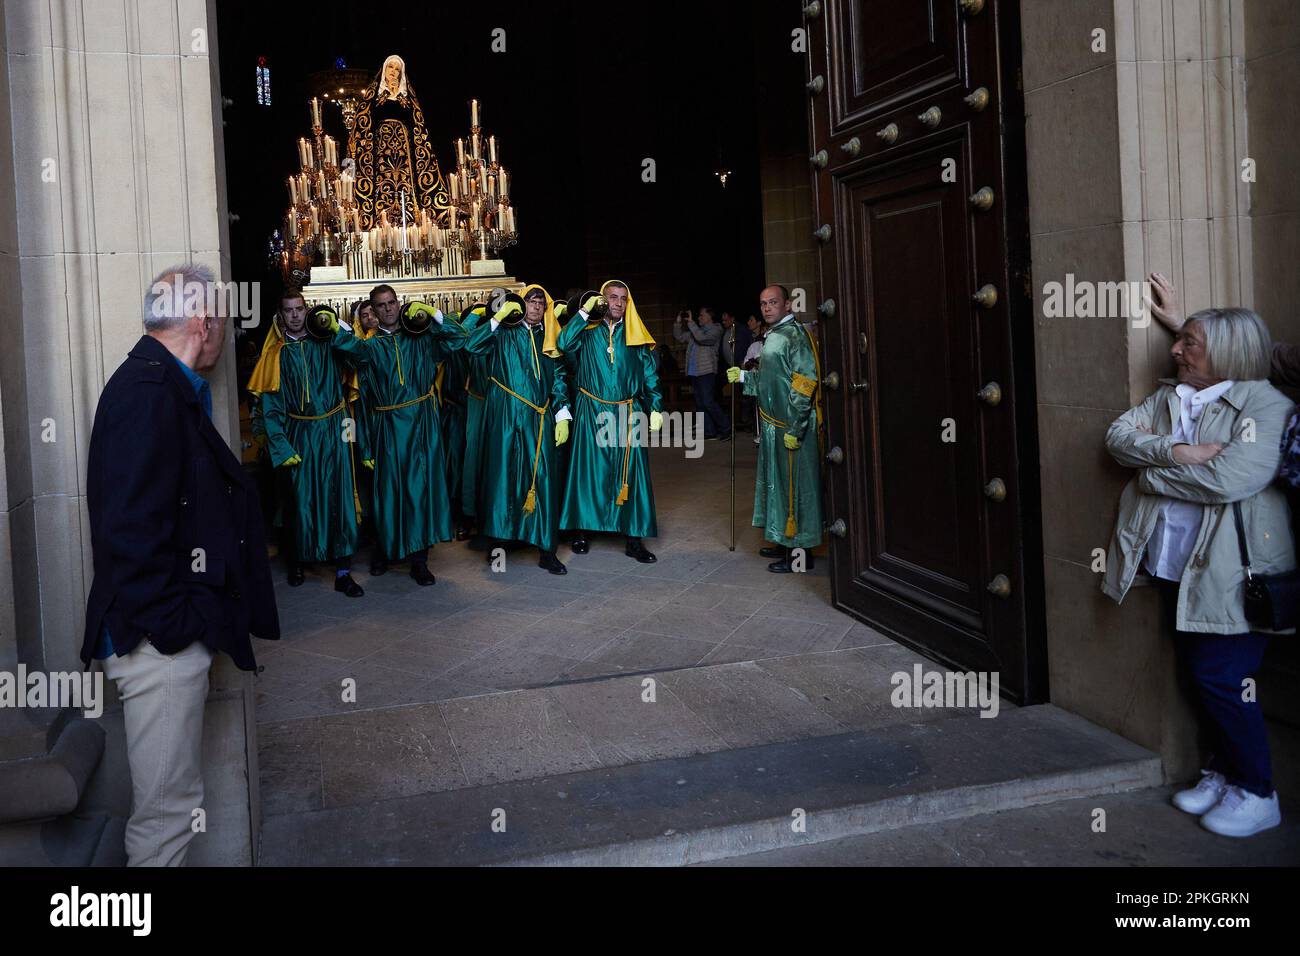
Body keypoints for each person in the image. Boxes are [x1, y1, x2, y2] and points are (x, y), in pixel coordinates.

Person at [83, 264, 279, 866]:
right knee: (165, 823)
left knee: (170, 809)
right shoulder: (146, 393)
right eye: (221, 317)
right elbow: (132, 533)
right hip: (155, 645)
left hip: (161, 636)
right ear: (203, 322)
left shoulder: (160, 383)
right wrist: (178, 632)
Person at [1103, 307, 1293, 837]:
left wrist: (1149, 479)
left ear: (1228, 352)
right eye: (1180, 340)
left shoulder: (1265, 403)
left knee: (1226, 680)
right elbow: (1117, 437)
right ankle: (1223, 773)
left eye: (1190, 344)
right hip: (1173, 564)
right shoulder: (1170, 398)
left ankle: (1259, 792)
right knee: (1199, 676)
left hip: (1234, 573)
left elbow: (1229, 480)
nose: (1175, 350)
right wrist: (1179, 450)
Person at [331, 284, 467, 585]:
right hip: (387, 427)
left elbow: (459, 339)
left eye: (392, 303)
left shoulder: (422, 340)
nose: (388, 309)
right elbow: (361, 397)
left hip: (421, 424)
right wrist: (364, 446)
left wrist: (433, 314)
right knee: (388, 493)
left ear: (399, 304)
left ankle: (420, 560)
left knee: (419, 490)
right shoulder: (368, 348)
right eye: (381, 305)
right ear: (373, 311)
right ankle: (385, 550)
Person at [246, 288, 366, 596]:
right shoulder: (275, 355)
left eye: (300, 309)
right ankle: (298, 561)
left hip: (334, 430)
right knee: (298, 502)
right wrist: (281, 446)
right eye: (289, 311)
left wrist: (338, 326)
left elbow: (360, 355)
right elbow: (270, 408)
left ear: (307, 310)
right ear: (280, 316)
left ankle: (343, 571)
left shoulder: (328, 343)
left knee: (338, 498)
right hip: (298, 434)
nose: (296, 315)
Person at [465, 285, 571, 574]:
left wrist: (562, 413)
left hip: (539, 418)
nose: (536, 307)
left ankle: (546, 549)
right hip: (506, 416)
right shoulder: (504, 332)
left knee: (542, 480)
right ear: (520, 304)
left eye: (540, 303)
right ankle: (499, 544)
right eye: (531, 301)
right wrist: (498, 317)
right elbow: (471, 346)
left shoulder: (550, 336)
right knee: (503, 478)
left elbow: (559, 375)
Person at [556, 280, 662, 563]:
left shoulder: (635, 334)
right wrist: (583, 314)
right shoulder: (587, 331)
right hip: (591, 408)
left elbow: (650, 374)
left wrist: (655, 408)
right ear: (602, 301)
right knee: (588, 472)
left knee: (632, 474)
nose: (618, 303)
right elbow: (563, 344)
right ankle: (582, 530)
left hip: (628, 411)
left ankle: (634, 538)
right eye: (612, 298)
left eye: (623, 299)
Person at [727, 285, 824, 572]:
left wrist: (796, 427)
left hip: (791, 429)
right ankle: (784, 541)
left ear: (787, 305)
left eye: (773, 302)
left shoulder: (795, 336)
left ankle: (800, 556)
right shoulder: (773, 335)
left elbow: (804, 383)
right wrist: (744, 375)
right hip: (773, 427)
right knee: (778, 487)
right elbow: (772, 379)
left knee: (795, 489)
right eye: (763, 303)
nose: (767, 308)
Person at [674, 306, 731, 440]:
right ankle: (709, 431)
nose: (699, 318)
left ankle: (726, 428)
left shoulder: (716, 329)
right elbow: (680, 337)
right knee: (700, 404)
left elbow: (702, 339)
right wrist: (678, 323)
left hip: (707, 371)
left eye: (701, 315)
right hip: (694, 372)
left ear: (710, 317)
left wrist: (691, 323)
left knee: (708, 402)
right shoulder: (696, 331)